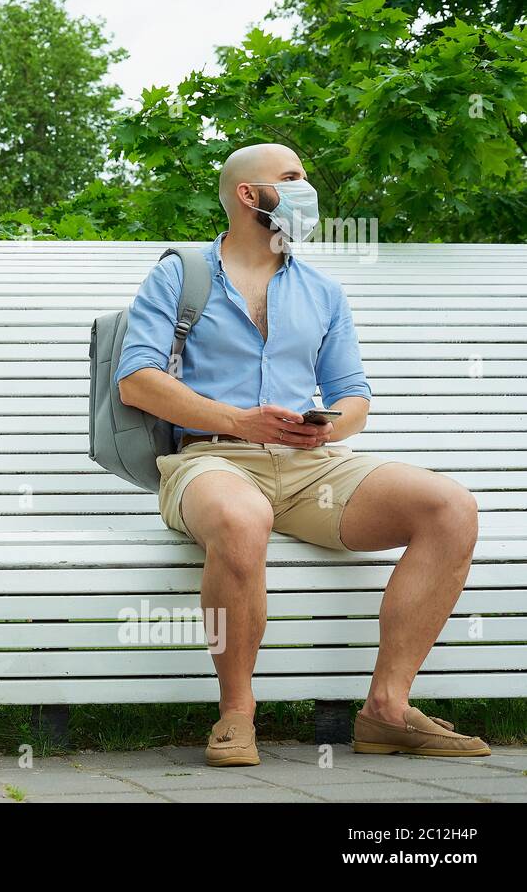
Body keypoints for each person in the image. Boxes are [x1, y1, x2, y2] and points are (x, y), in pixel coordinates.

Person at [115, 143, 488, 766]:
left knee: (450, 507)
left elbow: (353, 396)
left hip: (309, 465)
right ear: (248, 195)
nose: (304, 189)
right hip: (212, 460)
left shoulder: (321, 290)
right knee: (241, 519)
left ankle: (386, 712)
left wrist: (326, 428)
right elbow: (138, 379)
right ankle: (236, 713)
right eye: (291, 179)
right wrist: (238, 419)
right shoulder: (181, 273)